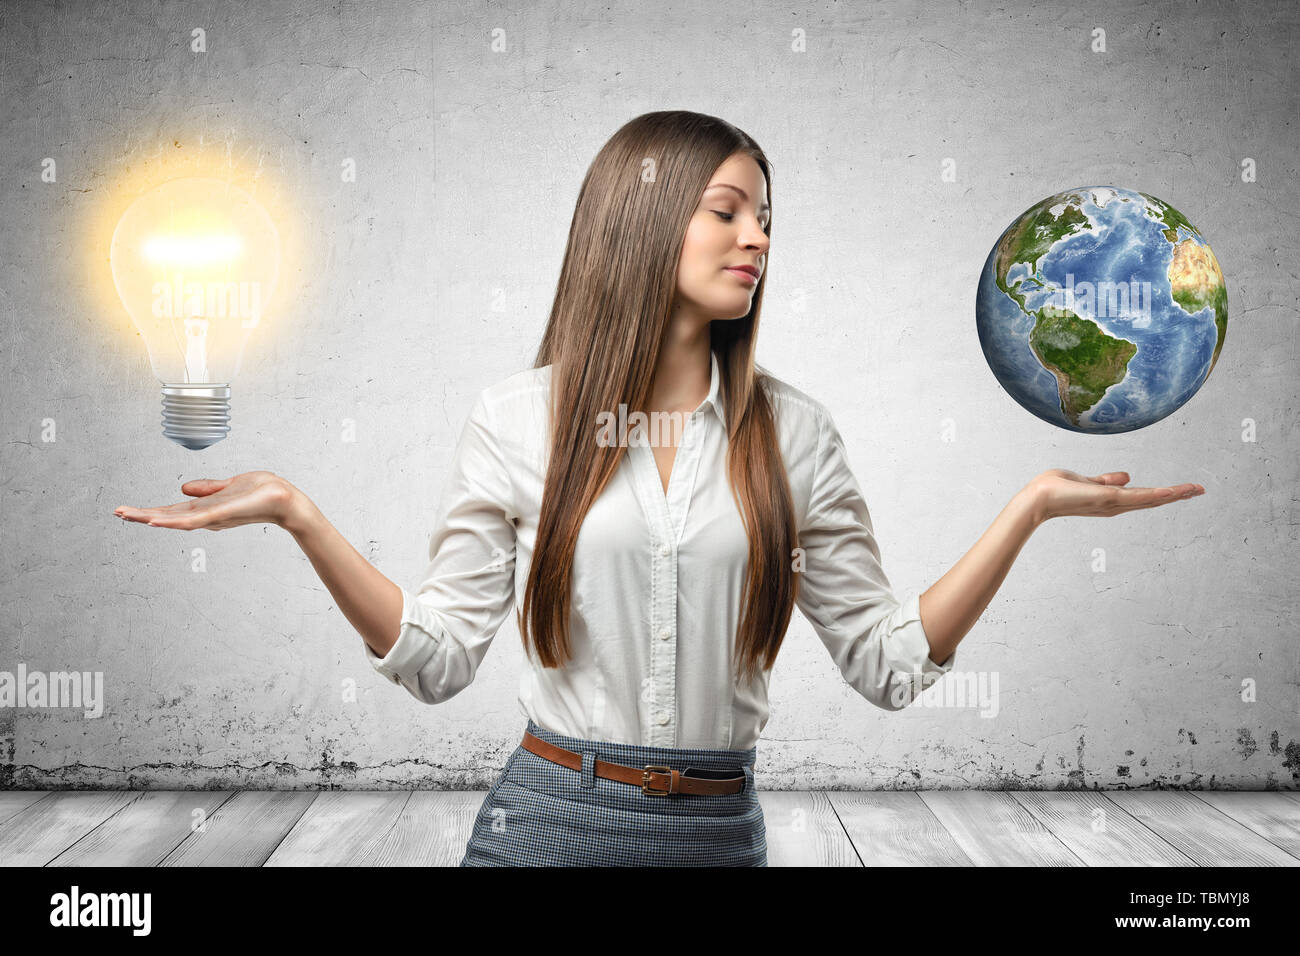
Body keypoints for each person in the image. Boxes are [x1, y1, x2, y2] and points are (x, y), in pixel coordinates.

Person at [113, 111, 1206, 867]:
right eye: (727, 210)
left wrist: (1028, 508)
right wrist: (301, 515)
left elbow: (885, 663)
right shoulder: (515, 420)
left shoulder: (798, 435)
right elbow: (438, 659)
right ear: (641, 221)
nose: (758, 237)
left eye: (765, 216)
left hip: (719, 832)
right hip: (545, 821)